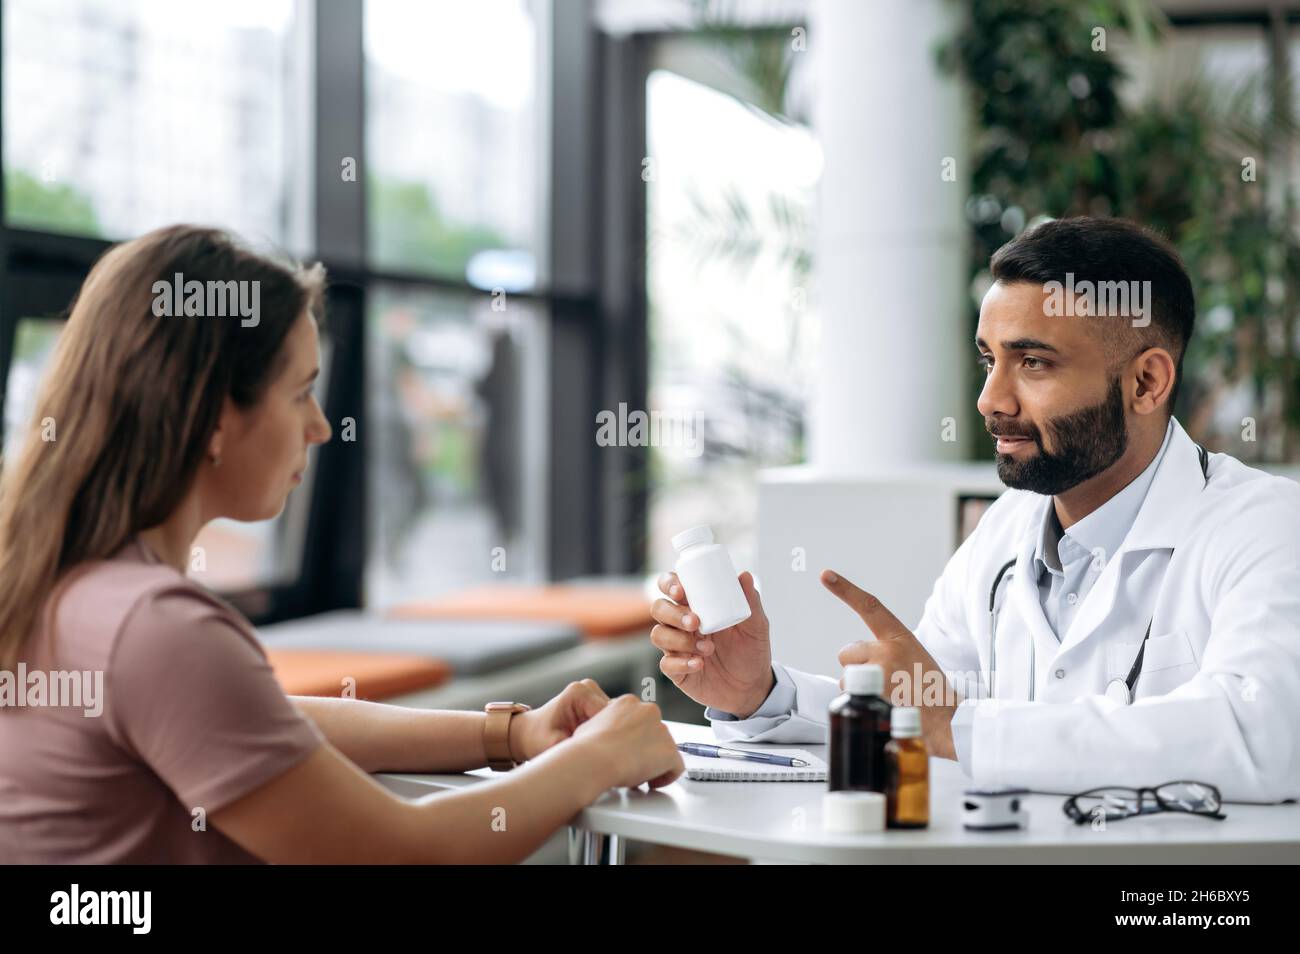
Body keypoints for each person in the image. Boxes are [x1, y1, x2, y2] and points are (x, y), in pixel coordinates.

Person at [0, 224, 683, 864]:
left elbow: (267, 721)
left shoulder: (67, 585)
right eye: (300, 394)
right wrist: (600, 759)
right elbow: (405, 851)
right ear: (214, 417)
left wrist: (506, 734)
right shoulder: (156, 628)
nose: (322, 427)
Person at [651, 217, 1300, 802]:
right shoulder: (1005, 531)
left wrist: (961, 725)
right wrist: (761, 694)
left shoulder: (1265, 526)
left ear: (1146, 382)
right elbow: (920, 713)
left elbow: (1262, 734)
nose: (991, 399)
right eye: (990, 361)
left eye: (1034, 363)